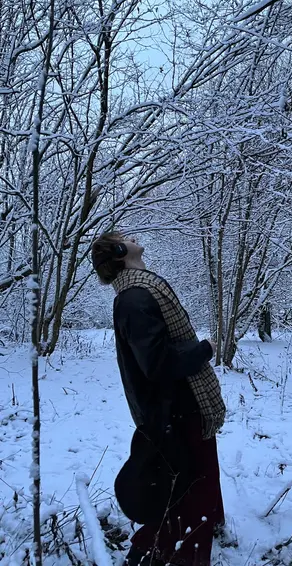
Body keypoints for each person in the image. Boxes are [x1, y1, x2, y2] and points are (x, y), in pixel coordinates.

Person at [91, 231, 226, 566]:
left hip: (179, 402)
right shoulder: (135, 298)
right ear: (119, 251)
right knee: (192, 487)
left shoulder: (141, 291)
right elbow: (158, 365)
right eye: (124, 237)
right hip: (177, 406)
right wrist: (203, 350)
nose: (133, 237)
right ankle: (152, 553)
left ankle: (204, 530)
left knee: (200, 478)